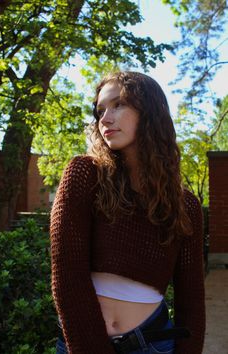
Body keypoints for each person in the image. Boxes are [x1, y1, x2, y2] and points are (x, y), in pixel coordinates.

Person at [50, 71, 205, 354]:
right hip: (81, 343)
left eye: (119, 104)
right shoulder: (84, 175)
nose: (105, 118)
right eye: (100, 110)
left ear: (150, 112)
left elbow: (191, 303)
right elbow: (67, 276)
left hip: (154, 344)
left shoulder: (185, 205)